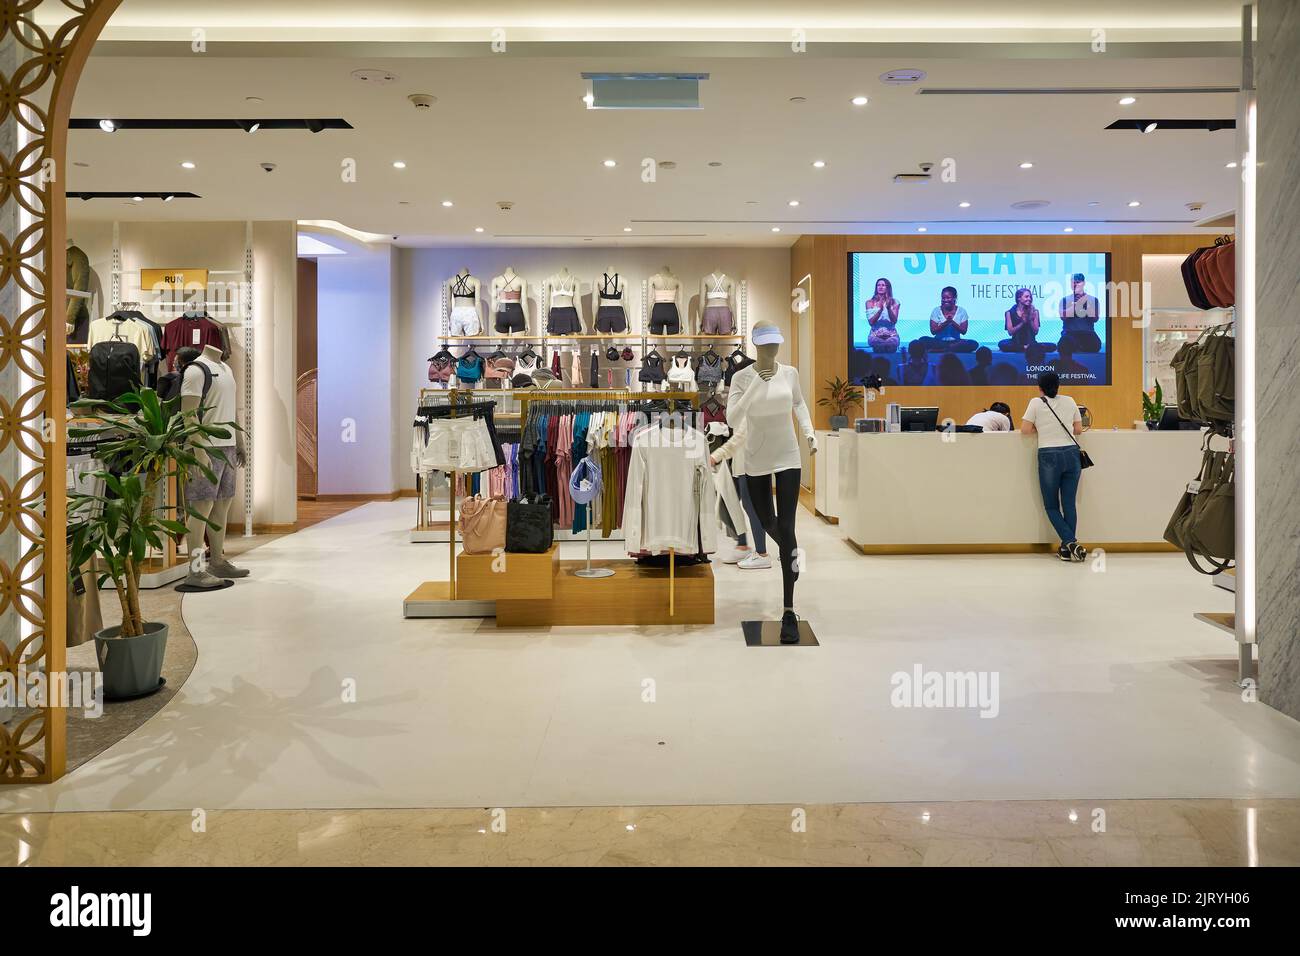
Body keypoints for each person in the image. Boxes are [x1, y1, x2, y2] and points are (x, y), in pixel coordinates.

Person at [1021, 371, 1086, 562]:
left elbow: (1025, 430)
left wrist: (1040, 428)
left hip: (1049, 455)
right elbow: (1078, 430)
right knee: (1069, 504)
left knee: (1051, 505)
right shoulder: (1070, 400)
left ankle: (1070, 542)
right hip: (1071, 454)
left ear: (1039, 387)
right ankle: (1067, 549)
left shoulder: (1036, 402)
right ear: (1059, 385)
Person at [920, 287, 978, 352]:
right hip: (939, 342)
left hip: (956, 342)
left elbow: (964, 331)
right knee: (922, 340)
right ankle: (949, 349)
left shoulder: (962, 311)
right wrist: (946, 323)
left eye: (948, 298)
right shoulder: (936, 310)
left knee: (973, 343)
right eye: (943, 298)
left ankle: (942, 350)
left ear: (955, 298)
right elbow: (933, 331)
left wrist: (952, 322)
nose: (945, 300)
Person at [1058, 273, 1102, 353]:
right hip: (1070, 333)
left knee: (1096, 345)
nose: (1075, 285)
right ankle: (1077, 347)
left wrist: (1086, 303)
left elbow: (1095, 318)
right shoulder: (1064, 300)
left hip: (1087, 333)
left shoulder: (1093, 300)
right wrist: (1077, 305)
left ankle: (1079, 347)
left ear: (1083, 283)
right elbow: (1063, 317)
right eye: (1073, 282)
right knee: (1063, 344)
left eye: (1078, 282)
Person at [999, 288, 1042, 352]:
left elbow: (1036, 332)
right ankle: (1024, 347)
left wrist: (1030, 320)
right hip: (1016, 343)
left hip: (1031, 342)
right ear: (1019, 298)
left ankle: (1026, 347)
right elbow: (1010, 332)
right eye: (1026, 297)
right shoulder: (1009, 313)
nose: (1029, 299)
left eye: (1030, 297)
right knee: (1002, 344)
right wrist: (1022, 323)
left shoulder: (1035, 312)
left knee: (1052, 346)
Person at [865, 278, 900, 353]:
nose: (880, 287)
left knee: (891, 343)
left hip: (891, 335)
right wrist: (880, 310)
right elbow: (871, 322)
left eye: (883, 285)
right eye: (878, 285)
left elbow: (894, 321)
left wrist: (888, 309)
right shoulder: (869, 302)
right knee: (878, 344)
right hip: (875, 336)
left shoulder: (895, 302)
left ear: (887, 288)